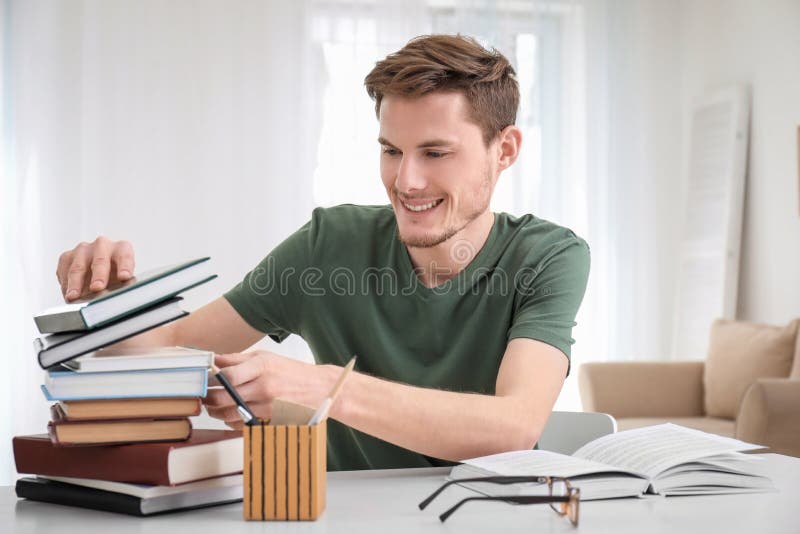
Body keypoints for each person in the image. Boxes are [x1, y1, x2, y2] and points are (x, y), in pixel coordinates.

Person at [54, 35, 589, 471]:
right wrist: (113, 300)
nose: (407, 180)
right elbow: (166, 352)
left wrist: (326, 389)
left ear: (506, 151)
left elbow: (513, 426)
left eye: (435, 152)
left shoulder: (547, 257)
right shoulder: (329, 246)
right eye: (391, 151)